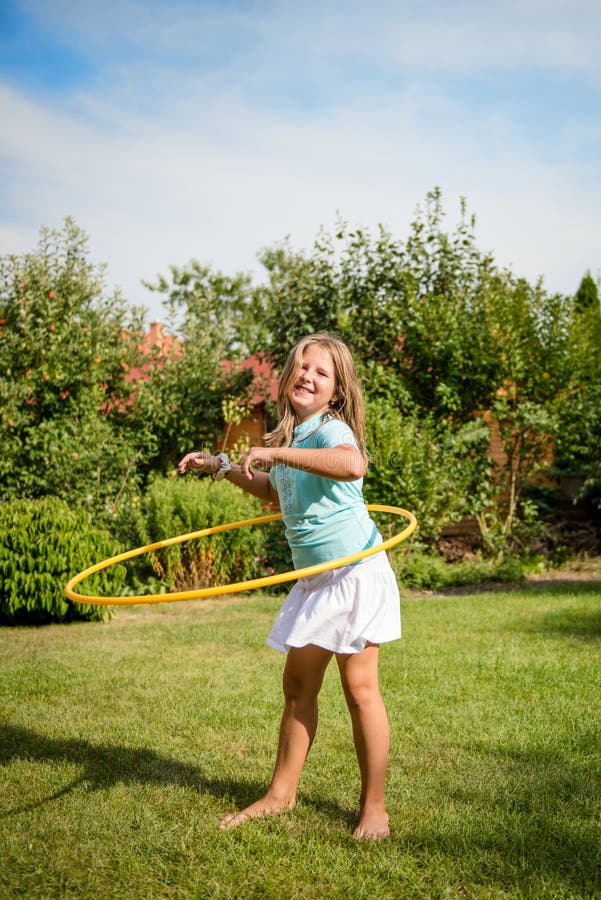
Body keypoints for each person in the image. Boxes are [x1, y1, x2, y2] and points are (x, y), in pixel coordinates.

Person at [177, 334, 401, 840]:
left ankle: (375, 807)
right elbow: (273, 490)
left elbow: (352, 464)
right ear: (286, 376)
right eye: (301, 366)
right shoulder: (292, 438)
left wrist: (278, 453)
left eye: (321, 372)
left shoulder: (329, 431)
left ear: (336, 391)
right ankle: (281, 795)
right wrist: (222, 466)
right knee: (297, 688)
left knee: (360, 689)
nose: (307, 376)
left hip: (355, 575)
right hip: (316, 582)